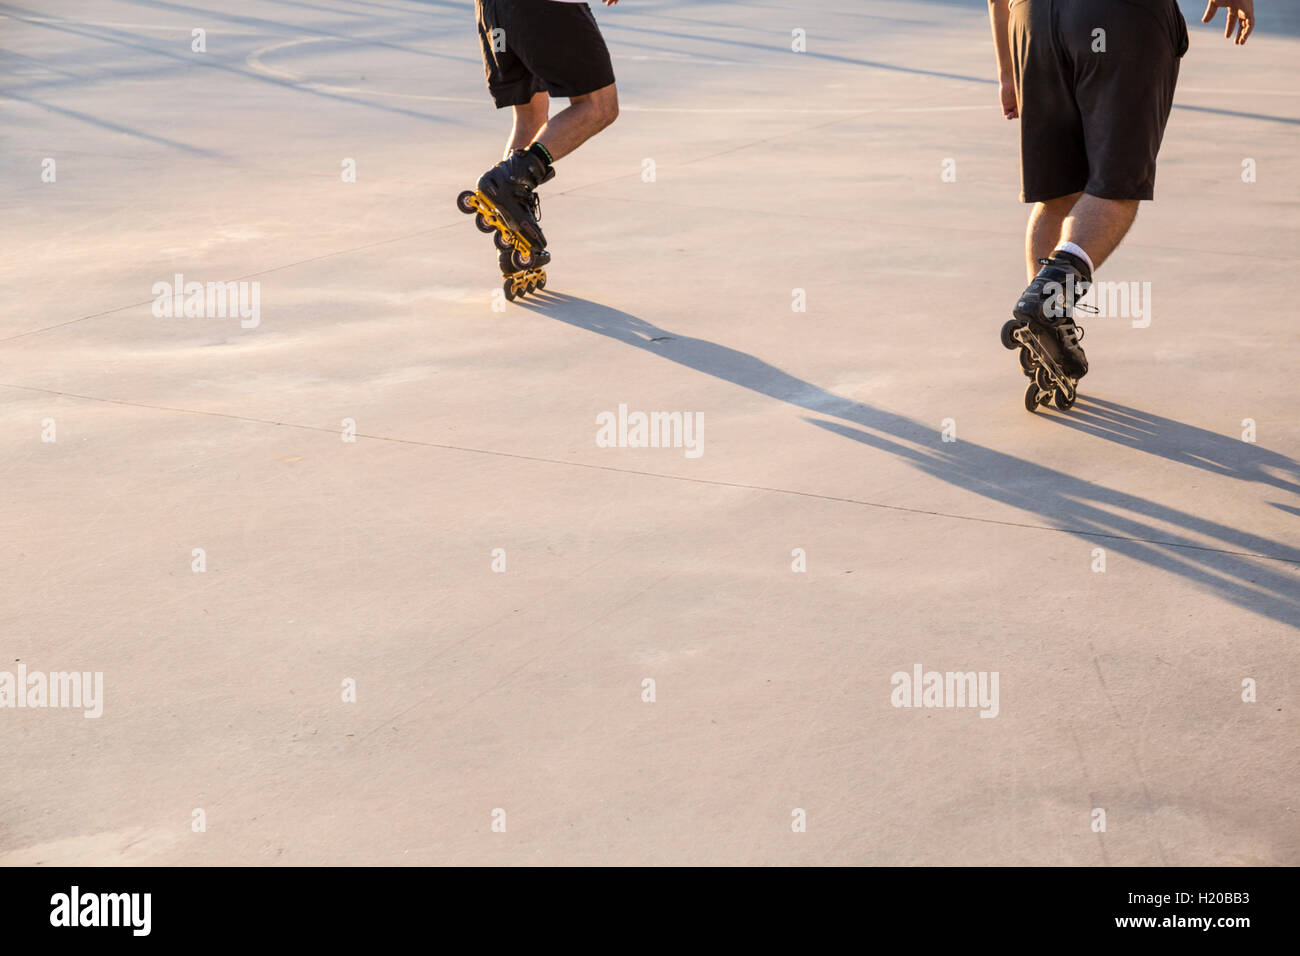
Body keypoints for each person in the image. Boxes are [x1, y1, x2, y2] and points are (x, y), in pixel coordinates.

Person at [987, 0, 1255, 379]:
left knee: (1058, 195)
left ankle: (1045, 336)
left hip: (1032, 22)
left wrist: (1006, 72)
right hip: (1117, 17)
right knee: (1115, 187)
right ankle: (1048, 303)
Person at [472, 0, 622, 270]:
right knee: (600, 106)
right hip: (545, 8)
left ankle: (514, 239)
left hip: (494, 9)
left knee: (530, 118)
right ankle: (508, 182)